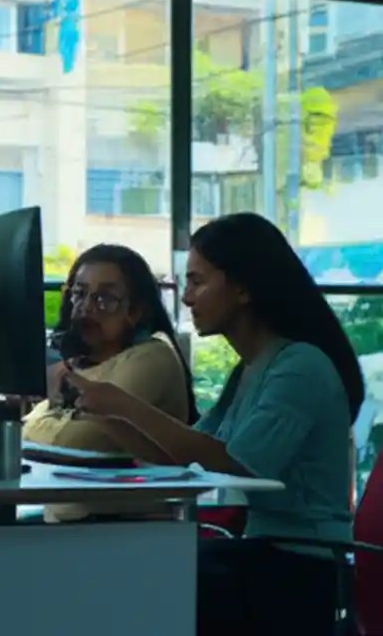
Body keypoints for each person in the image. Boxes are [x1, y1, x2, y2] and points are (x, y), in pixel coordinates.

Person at [64, 213, 362, 635]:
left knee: (137, 580)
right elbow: (186, 453)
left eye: (197, 282)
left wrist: (126, 405)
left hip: (303, 565)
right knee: (129, 568)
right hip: (263, 554)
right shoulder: (252, 369)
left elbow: (235, 463)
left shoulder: (300, 367)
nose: (186, 298)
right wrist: (105, 413)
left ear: (242, 288)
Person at [23, 244, 196, 521]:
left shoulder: (151, 357)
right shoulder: (79, 365)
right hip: (70, 529)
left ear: (136, 311)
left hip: (126, 534)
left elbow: (75, 444)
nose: (87, 308)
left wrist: (43, 420)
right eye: (79, 294)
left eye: (105, 298)